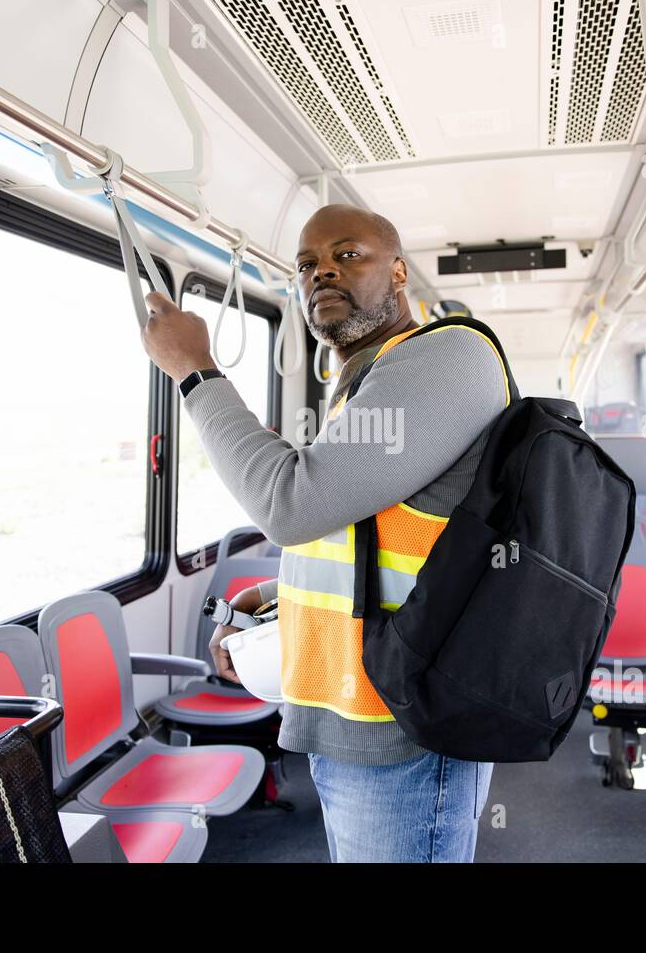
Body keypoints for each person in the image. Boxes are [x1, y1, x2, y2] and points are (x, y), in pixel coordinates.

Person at [140, 203, 508, 862]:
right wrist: (271, 601)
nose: (322, 273)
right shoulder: (361, 385)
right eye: (307, 264)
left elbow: (291, 502)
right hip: (352, 715)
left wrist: (196, 373)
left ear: (399, 272)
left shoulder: (449, 354)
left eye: (347, 254)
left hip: (404, 728)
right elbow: (371, 544)